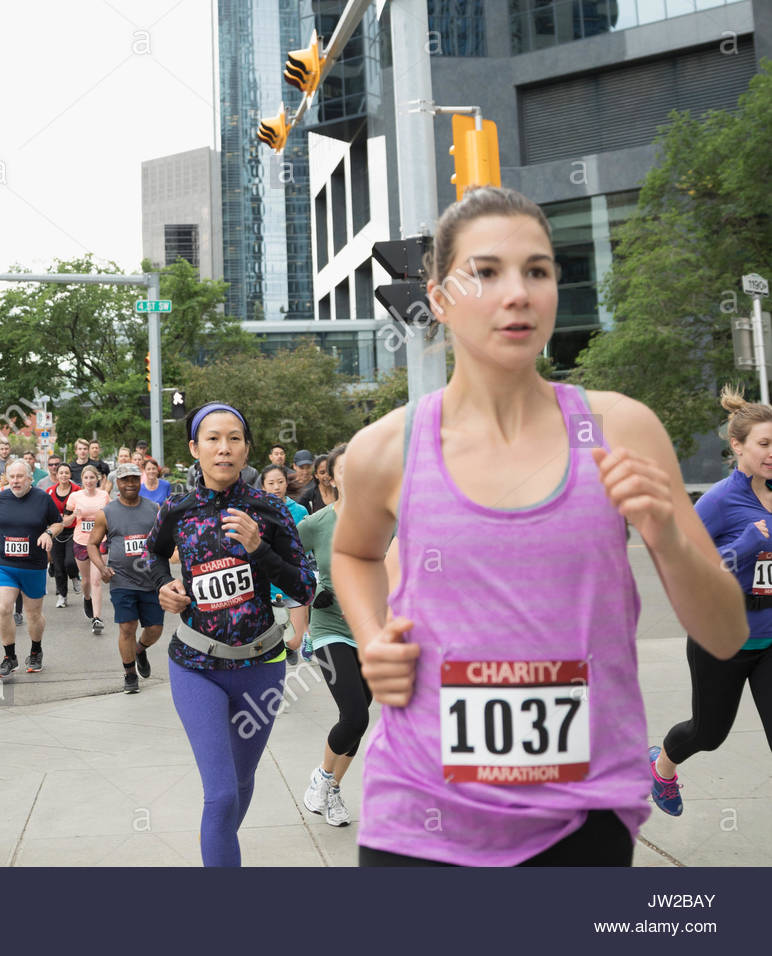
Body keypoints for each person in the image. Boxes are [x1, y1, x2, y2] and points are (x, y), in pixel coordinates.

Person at [330, 185, 746, 867]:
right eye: (486, 272)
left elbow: (727, 635)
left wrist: (667, 537)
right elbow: (353, 553)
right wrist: (373, 640)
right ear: (438, 296)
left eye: (539, 270)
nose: (517, 292)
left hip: (580, 818)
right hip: (418, 815)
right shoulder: (390, 446)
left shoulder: (619, 429)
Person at [148, 402, 315, 867]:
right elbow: (153, 557)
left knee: (240, 786)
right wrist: (165, 585)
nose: (224, 448)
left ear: (246, 449)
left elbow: (305, 587)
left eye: (235, 438)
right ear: (194, 449)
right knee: (220, 794)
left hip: (261, 667)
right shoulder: (176, 507)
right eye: (213, 439)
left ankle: (218, 846)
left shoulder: (270, 508)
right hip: (197, 666)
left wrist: (258, 548)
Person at [647, 386, 772, 816]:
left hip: (770, 640)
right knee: (709, 733)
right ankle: (662, 767)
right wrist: (748, 542)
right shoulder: (720, 500)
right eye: (764, 444)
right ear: (737, 445)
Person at [297, 444, 367, 827]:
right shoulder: (316, 523)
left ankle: (333, 791)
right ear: (331, 477)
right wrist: (310, 590)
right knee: (354, 714)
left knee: (358, 719)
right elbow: (284, 567)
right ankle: (323, 778)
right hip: (330, 628)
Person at [88, 462, 170, 694]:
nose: (130, 484)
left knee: (155, 628)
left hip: (151, 580)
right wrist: (102, 568)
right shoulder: (107, 513)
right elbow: (92, 544)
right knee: (127, 626)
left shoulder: (154, 508)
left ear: (140, 480)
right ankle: (130, 674)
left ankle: (140, 649)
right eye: (125, 480)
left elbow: (163, 540)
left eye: (134, 479)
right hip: (121, 580)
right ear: (118, 483)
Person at [0, 460, 66, 678]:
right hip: (6, 565)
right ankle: (9, 657)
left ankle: (36, 650)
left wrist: (48, 534)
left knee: (33, 614)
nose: (15, 480)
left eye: (20, 476)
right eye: (11, 476)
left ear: (30, 478)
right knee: (4, 608)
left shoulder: (42, 499)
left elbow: (58, 523)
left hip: (33, 566)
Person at [259, 464, 309, 665]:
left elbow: (307, 548)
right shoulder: (257, 511)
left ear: (286, 483)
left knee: (295, 641)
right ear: (263, 487)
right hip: (267, 585)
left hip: (293, 582)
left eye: (280, 482)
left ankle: (287, 648)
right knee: (269, 641)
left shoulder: (300, 511)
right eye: (271, 483)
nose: (276, 487)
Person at [65, 465, 110, 634]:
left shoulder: (104, 496)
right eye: (86, 478)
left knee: (97, 580)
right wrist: (75, 515)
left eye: (92, 478)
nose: (89, 481)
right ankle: (87, 597)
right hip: (81, 541)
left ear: (97, 479)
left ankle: (97, 618)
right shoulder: (74, 496)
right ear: (82, 480)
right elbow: (65, 521)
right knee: (86, 580)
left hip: (100, 541)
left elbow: (111, 516)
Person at [47, 463, 81, 608]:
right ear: (57, 475)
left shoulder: (77, 491)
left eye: (66, 473)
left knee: (70, 562)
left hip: (73, 531)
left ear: (70, 475)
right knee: (59, 566)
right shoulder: (49, 491)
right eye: (61, 473)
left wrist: (72, 515)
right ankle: (62, 596)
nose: (64, 476)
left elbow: (81, 509)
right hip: (56, 532)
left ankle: (74, 576)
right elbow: (45, 511)